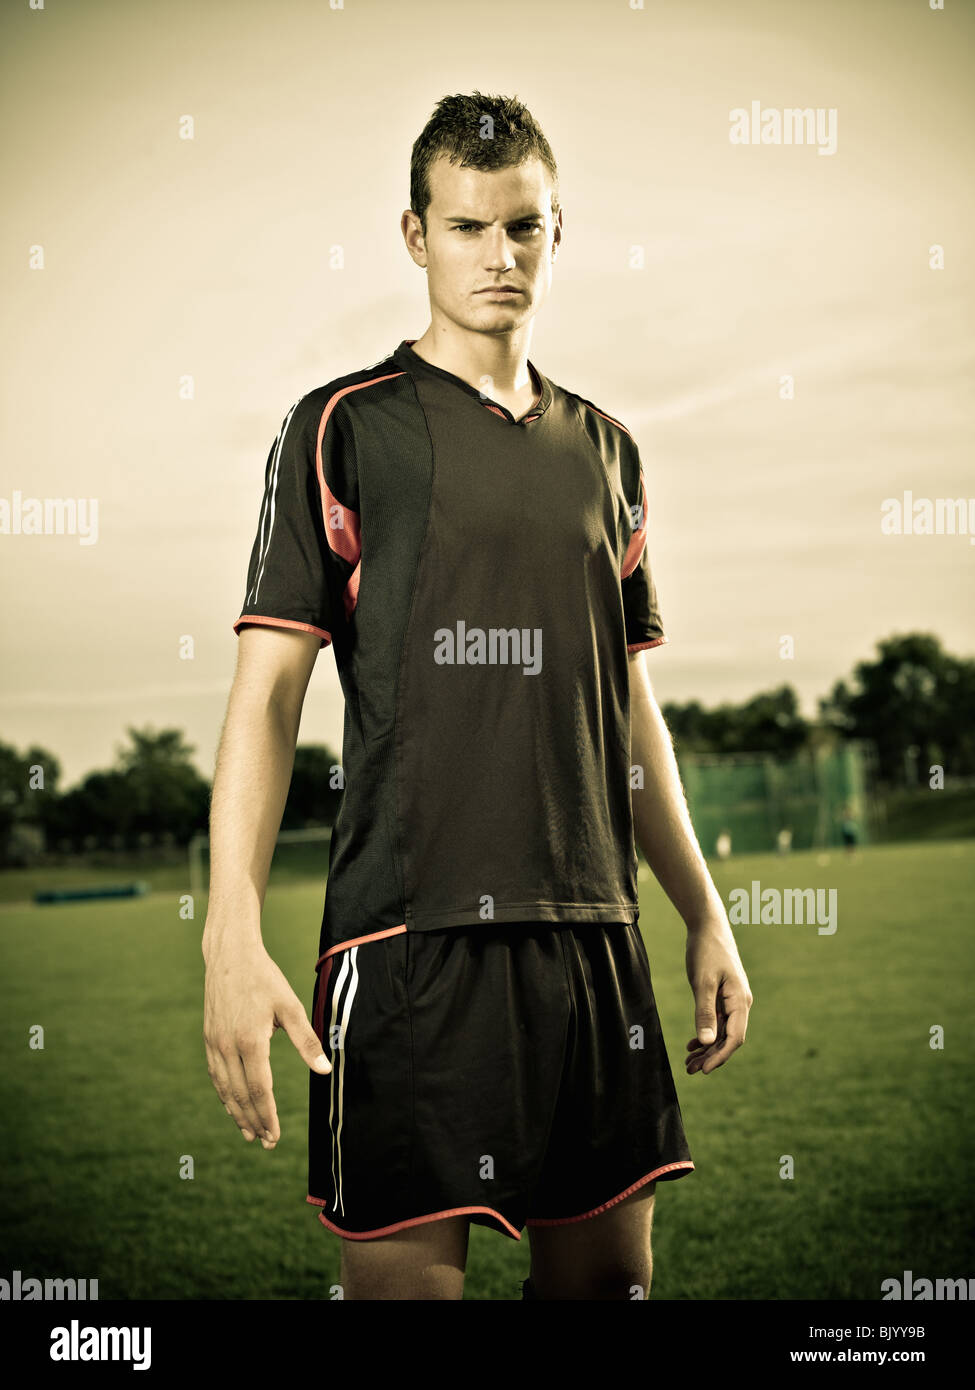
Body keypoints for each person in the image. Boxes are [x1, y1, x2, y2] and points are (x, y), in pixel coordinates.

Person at [202, 91, 753, 1301]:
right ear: (415, 236)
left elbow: (629, 717)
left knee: (608, 1286)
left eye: (524, 229)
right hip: (409, 942)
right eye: (467, 228)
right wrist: (229, 928)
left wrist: (703, 911)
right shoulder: (342, 429)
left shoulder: (608, 450)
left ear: (559, 232)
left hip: (596, 939)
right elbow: (267, 695)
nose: (499, 257)